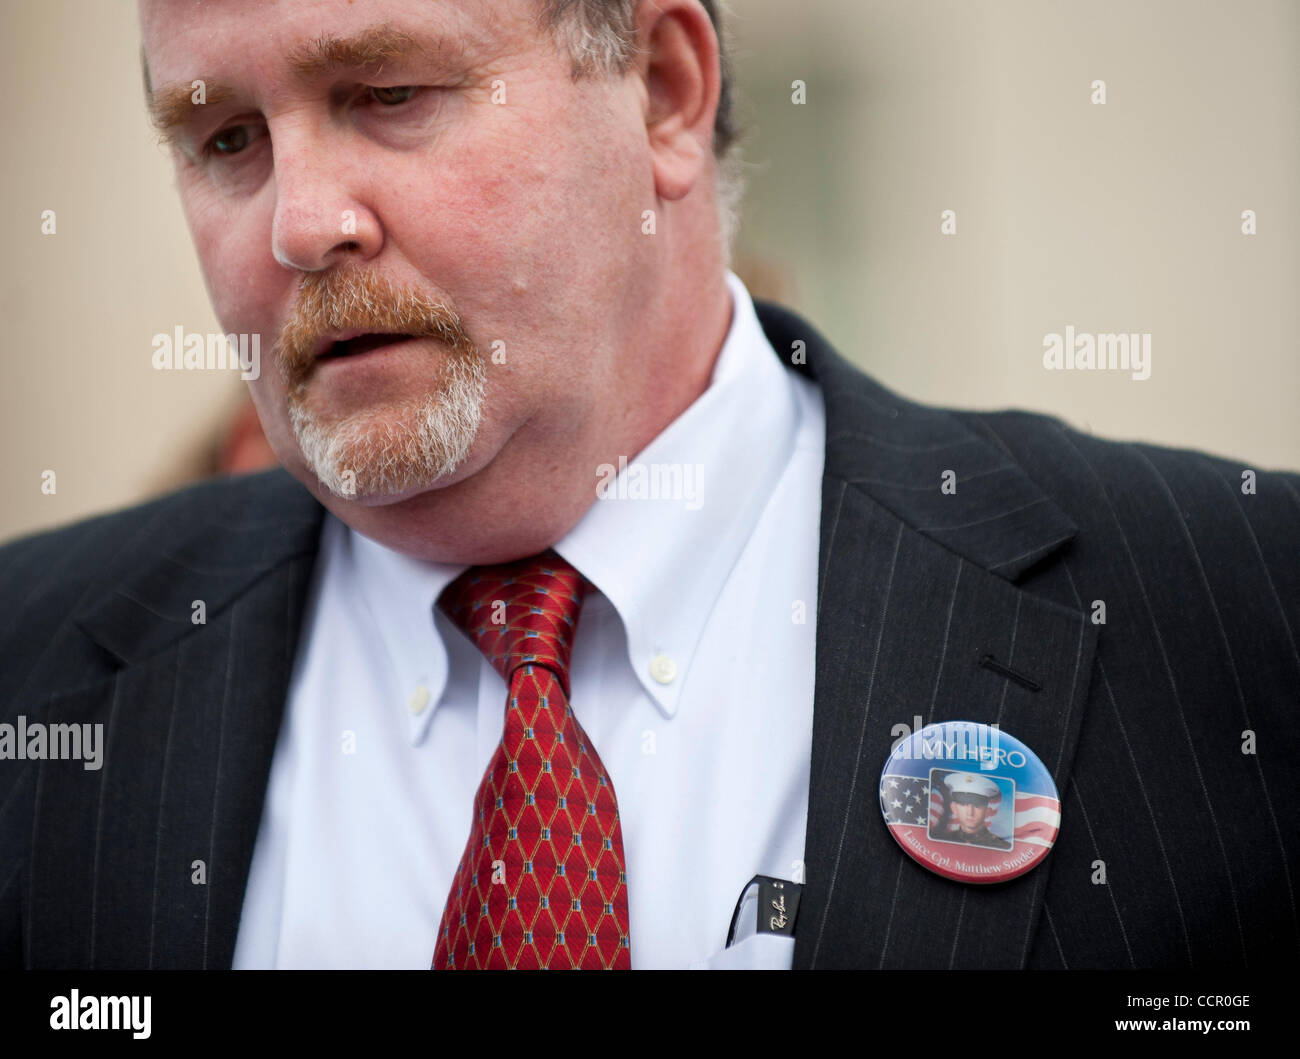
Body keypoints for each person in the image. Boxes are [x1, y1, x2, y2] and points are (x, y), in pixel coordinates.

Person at [0, 0, 1296, 971]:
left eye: (388, 93)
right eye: (225, 137)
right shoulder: (35, 667)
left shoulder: (1233, 607)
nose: (301, 220)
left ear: (663, 90)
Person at [934, 773, 1012, 851]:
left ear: (988, 811)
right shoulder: (942, 841)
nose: (970, 813)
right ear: (953, 808)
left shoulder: (1003, 848)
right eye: (963, 804)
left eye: (977, 805)